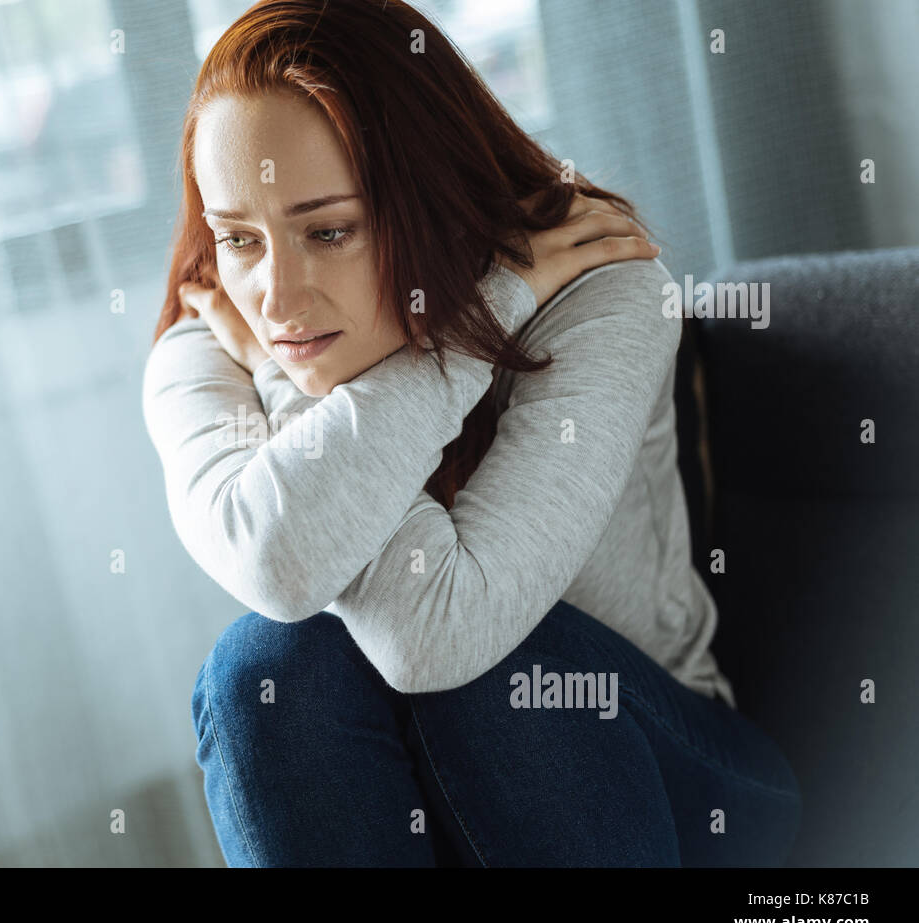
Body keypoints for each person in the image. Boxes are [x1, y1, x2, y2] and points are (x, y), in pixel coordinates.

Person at [142, 0, 801, 866]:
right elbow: (280, 558)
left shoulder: (594, 288)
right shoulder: (213, 336)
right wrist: (288, 373)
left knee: (502, 675)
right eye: (238, 238)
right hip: (425, 797)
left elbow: (436, 634)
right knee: (262, 671)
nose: (275, 298)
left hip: (676, 773)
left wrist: (472, 321)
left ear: (434, 199)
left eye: (328, 230)